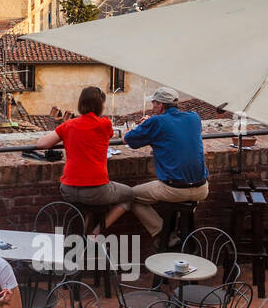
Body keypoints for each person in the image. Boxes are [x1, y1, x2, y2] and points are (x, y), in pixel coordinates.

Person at [120, 87, 210, 249]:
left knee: (129, 196)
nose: (153, 107)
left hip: (174, 190)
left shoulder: (156, 122)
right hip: (202, 188)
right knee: (181, 196)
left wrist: (141, 126)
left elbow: (128, 140)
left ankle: (165, 233)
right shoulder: (194, 117)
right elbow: (175, 133)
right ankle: (182, 235)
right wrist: (151, 124)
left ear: (160, 105)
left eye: (154, 103)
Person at [35, 86, 133, 232]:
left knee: (88, 206)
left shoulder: (67, 125)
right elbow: (113, 135)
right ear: (100, 105)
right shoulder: (105, 124)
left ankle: (83, 237)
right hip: (96, 191)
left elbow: (42, 144)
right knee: (130, 195)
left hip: (68, 190)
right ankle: (95, 233)